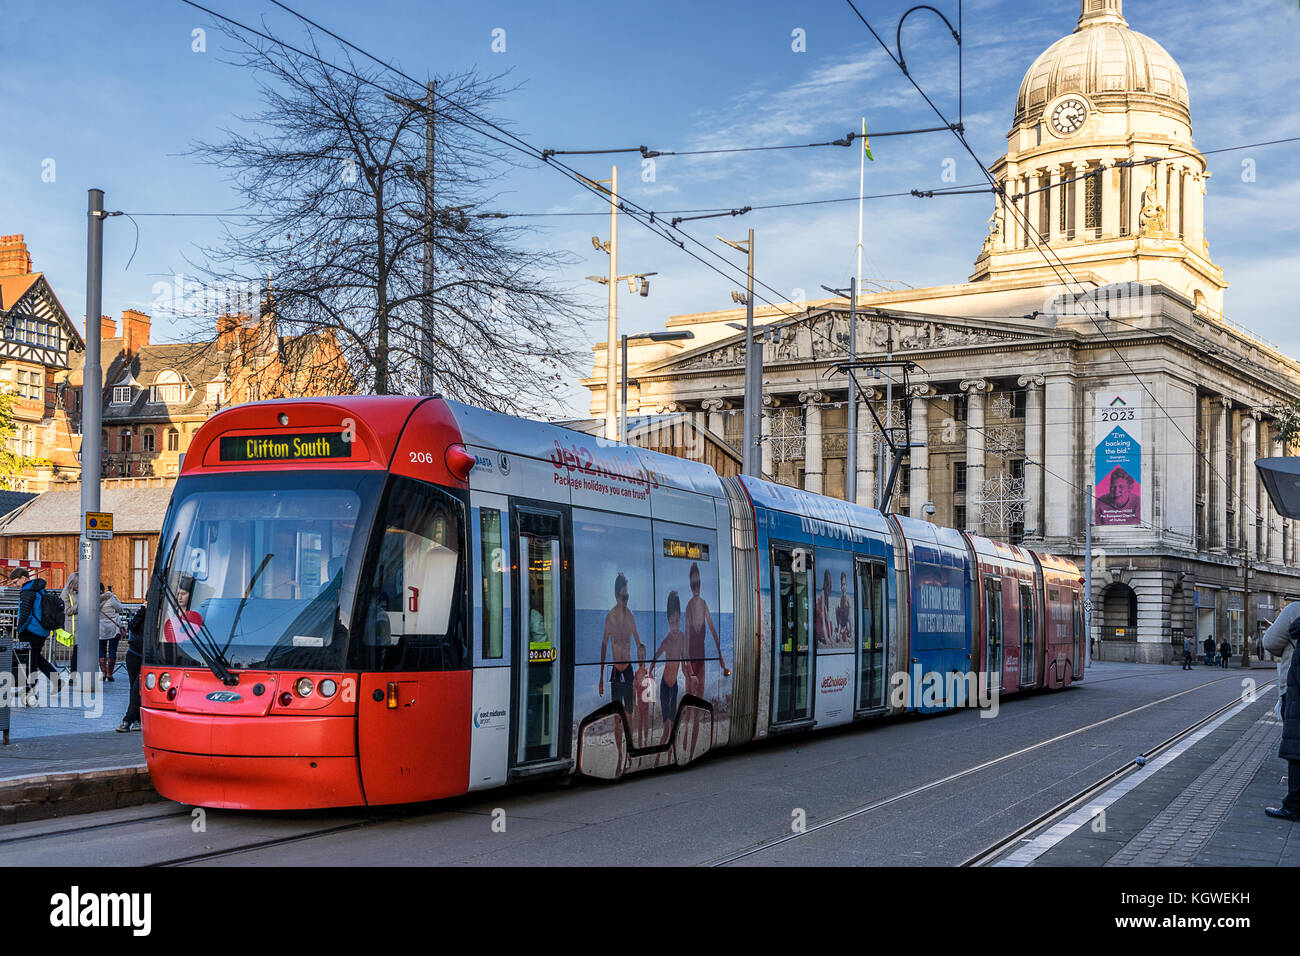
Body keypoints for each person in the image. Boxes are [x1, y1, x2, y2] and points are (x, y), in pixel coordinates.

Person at [683, 562, 726, 756]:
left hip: (702, 660)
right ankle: (683, 741)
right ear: (690, 586)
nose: (696, 588)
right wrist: (686, 666)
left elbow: (713, 630)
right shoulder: (689, 607)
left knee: (698, 708)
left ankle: (692, 749)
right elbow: (687, 637)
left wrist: (721, 657)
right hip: (692, 661)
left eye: (698, 583)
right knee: (689, 707)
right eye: (693, 585)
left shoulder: (704, 604)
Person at [1265, 608, 1300, 821]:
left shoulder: (1294, 612)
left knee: (1296, 748)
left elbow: (1270, 642)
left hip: (1295, 693)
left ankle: (1294, 805)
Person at [9, 566, 63, 693]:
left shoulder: (27, 592)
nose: (16, 585)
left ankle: (30, 688)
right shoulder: (39, 590)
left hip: (31, 630)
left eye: (16, 582)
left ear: (23, 578)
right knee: (36, 658)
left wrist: (20, 629)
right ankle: (56, 680)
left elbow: (25, 614)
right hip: (42, 630)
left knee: (30, 660)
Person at [650, 590, 687, 747]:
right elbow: (656, 656)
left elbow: (685, 662)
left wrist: (690, 675)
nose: (675, 626)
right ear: (668, 622)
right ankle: (660, 755)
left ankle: (670, 752)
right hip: (665, 686)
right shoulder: (666, 641)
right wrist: (649, 671)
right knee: (666, 728)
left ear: (680, 619)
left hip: (675, 687)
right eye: (672, 623)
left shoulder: (683, 638)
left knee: (673, 726)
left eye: (677, 621)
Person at [118, 604, 146, 732]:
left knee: (137, 687)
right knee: (133, 688)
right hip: (134, 654)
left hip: (147, 656)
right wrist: (142, 610)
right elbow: (133, 627)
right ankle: (138, 719)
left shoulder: (161, 614)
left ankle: (128, 719)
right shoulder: (141, 613)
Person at [98, 583, 124, 682]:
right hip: (113, 628)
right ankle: (109, 674)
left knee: (101, 651)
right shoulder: (110, 597)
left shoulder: (92, 600)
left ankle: (103, 673)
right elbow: (120, 608)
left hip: (100, 629)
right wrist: (114, 597)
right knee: (112, 651)